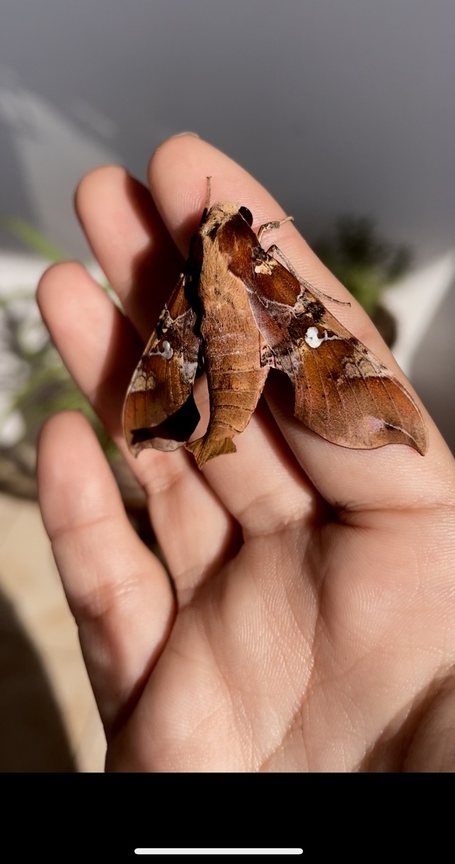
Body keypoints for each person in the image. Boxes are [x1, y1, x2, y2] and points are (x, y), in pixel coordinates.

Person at [36, 134, 455, 771]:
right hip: (264, 345)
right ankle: (214, 427)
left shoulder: (185, 288)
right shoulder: (262, 264)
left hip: (217, 361)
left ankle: (194, 429)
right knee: (327, 340)